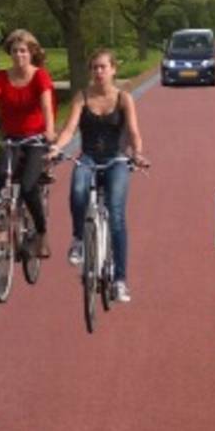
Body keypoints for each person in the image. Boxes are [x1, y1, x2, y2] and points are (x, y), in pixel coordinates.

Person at [50, 49, 147, 302]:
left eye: (103, 67)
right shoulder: (82, 97)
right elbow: (69, 129)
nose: (99, 72)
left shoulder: (124, 98)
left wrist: (137, 154)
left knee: (116, 215)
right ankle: (79, 240)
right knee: (77, 190)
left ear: (113, 69)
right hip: (89, 157)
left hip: (116, 159)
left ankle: (120, 281)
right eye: (94, 67)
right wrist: (57, 148)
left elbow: (134, 132)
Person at [0, 29, 56, 258]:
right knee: (1, 179)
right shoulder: (1, 77)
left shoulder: (40, 76)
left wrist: (49, 130)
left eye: (23, 51)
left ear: (31, 52)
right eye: (15, 51)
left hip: (36, 139)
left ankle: (41, 233)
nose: (19, 55)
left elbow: (47, 106)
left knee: (28, 187)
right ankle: (4, 228)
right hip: (11, 139)